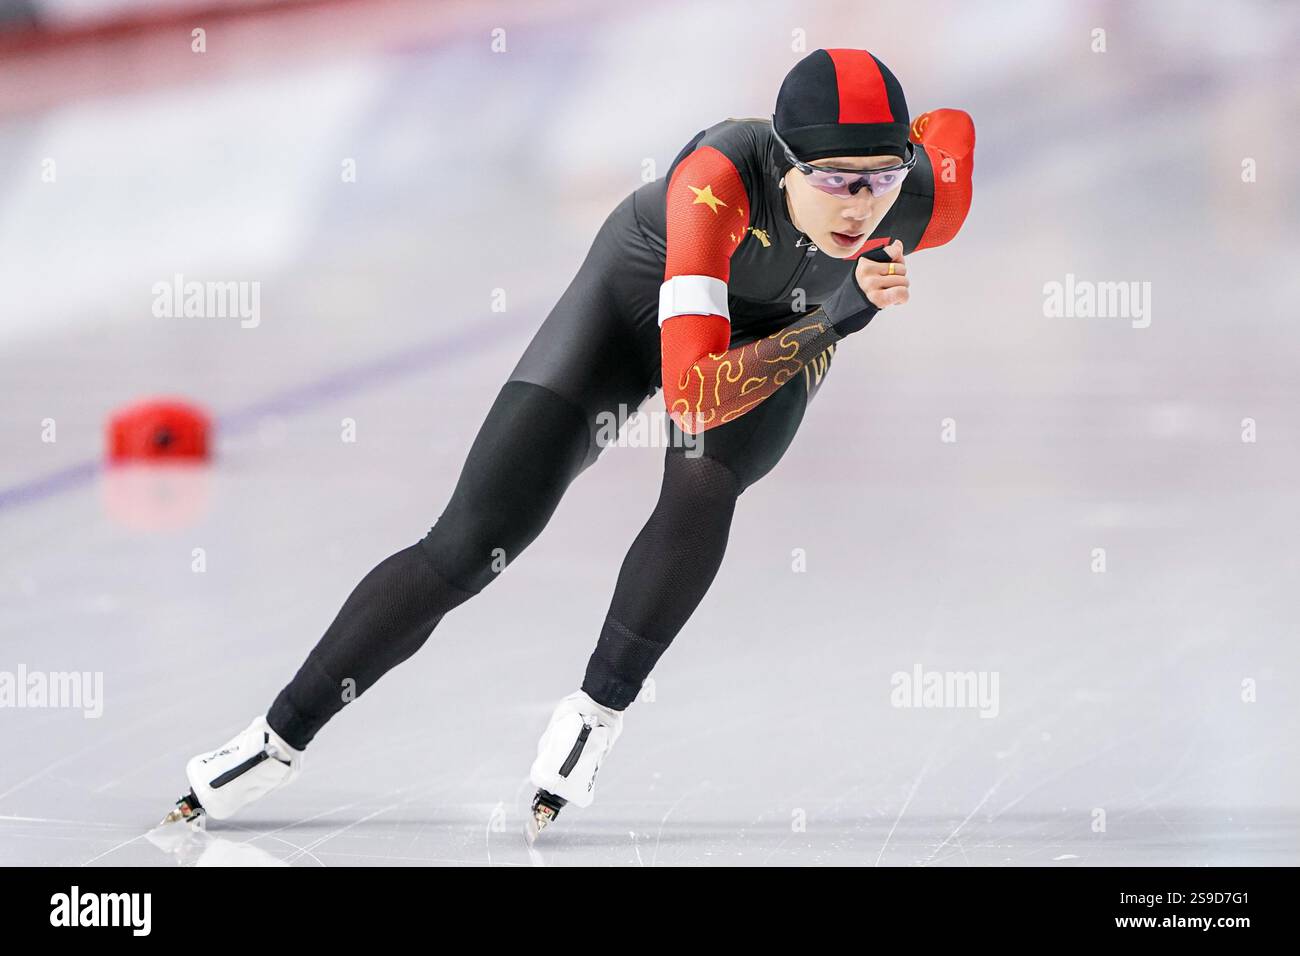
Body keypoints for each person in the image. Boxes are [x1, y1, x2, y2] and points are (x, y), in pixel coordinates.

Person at [161, 48, 976, 838]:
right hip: (640, 292)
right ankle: (276, 736)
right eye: (833, 180)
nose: (859, 205)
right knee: (473, 543)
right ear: (787, 162)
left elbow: (955, 131)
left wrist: (897, 180)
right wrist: (836, 316)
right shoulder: (714, 186)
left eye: (880, 177)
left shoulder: (920, 197)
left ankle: (599, 710)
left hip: (783, 325)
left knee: (703, 484)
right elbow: (689, 394)